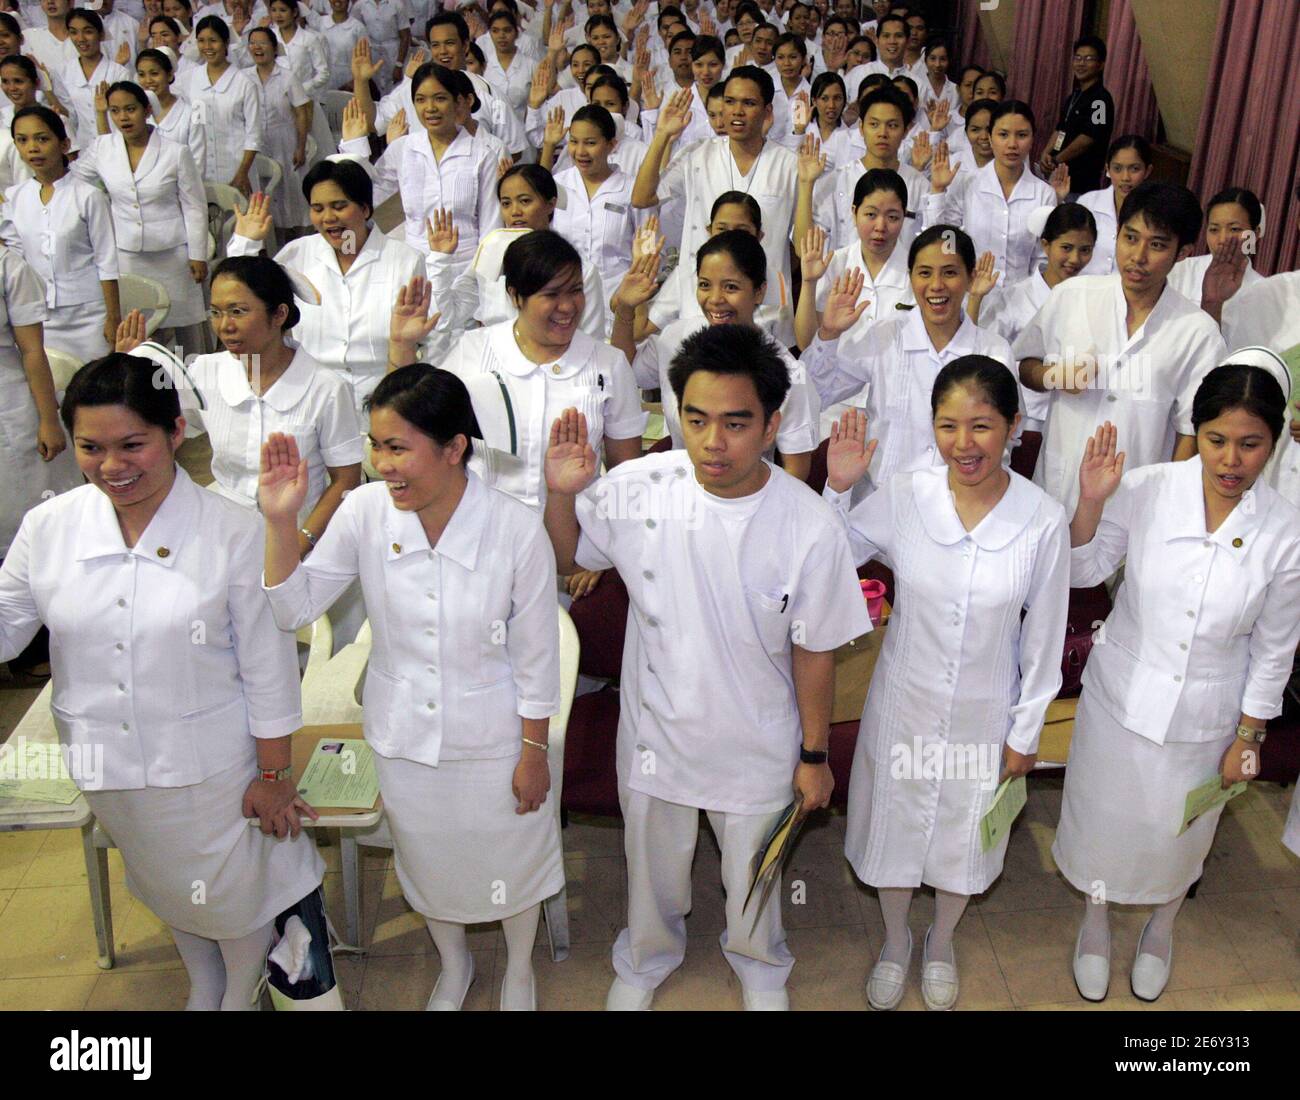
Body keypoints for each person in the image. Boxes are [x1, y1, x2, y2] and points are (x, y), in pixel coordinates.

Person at [542, 323, 869, 1011]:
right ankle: (645, 955)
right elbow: (575, 561)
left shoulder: (808, 525)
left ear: (774, 423)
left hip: (757, 732)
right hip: (659, 727)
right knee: (652, 867)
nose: (711, 442)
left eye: (735, 423)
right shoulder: (638, 487)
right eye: (694, 419)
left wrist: (813, 752)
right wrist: (562, 495)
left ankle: (759, 960)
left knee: (757, 868)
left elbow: (814, 649)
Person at [0, 352, 325, 1011]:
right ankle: (204, 979)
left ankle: (238, 985)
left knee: (230, 889)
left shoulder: (232, 530)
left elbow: (268, 669)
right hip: (105, 762)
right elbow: (9, 624)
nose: (112, 467)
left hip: (209, 768)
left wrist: (271, 777)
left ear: (176, 432)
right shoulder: (49, 528)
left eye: (132, 445)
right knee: (165, 881)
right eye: (90, 447)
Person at [260, 365, 562, 1011]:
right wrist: (282, 523)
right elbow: (292, 609)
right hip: (403, 735)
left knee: (509, 854)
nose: (382, 464)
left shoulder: (513, 528)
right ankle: (453, 964)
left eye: (398, 447)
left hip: (494, 736)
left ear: (454, 448)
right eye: (375, 445)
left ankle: (517, 970)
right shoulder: (366, 512)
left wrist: (534, 752)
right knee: (429, 862)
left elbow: (539, 656)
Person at [825, 356, 1068, 1010]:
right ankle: (896, 939)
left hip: (985, 714)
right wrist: (840, 489)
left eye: (982, 426)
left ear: (1014, 425)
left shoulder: (1042, 519)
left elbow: (1045, 638)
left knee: (964, 835)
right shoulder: (907, 494)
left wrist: (1027, 731)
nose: (964, 444)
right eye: (948, 426)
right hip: (905, 703)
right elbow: (831, 556)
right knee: (896, 829)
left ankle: (942, 941)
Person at [1054, 367, 1300, 1003]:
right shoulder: (1149, 488)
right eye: (1217, 439)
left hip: (1209, 712)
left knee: (1179, 832)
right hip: (1122, 698)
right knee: (1104, 824)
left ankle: (1163, 926)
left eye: (1249, 444)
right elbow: (1082, 570)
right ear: (1197, 430)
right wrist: (1089, 501)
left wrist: (1250, 733)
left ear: (1273, 443)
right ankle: (1096, 922)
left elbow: (1275, 645)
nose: (1230, 459)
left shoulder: (1285, 530)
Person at [1015, 182, 1228, 514]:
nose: (1137, 257)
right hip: (1056, 490)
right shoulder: (1072, 295)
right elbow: (1025, 364)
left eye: (1156, 245)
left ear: (1182, 253)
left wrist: (1167, 504)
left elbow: (1191, 431)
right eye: (1130, 238)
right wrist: (1052, 377)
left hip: (1134, 504)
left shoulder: (1197, 333)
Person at [397, 230, 645, 512]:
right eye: (551, 294)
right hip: (485, 527)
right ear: (515, 296)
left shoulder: (609, 364)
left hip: (575, 533)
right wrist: (402, 346)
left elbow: (624, 475)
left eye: (575, 290)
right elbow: (412, 421)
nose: (567, 307)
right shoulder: (473, 351)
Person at [139, 254, 363, 547]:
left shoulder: (326, 389)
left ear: (279, 314)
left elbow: (346, 480)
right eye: (216, 312)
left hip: (299, 532)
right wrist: (133, 371)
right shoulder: (205, 371)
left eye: (238, 311)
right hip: (225, 532)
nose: (224, 326)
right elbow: (166, 430)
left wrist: (302, 542)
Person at [801, 223, 1012, 495]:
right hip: (881, 504)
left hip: (960, 506)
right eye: (925, 273)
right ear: (910, 277)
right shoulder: (884, 336)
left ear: (971, 279)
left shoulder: (994, 352)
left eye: (949, 273)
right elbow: (815, 393)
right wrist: (828, 334)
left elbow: (1005, 442)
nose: (936, 286)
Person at [226, 153, 425, 420]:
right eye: (318, 209)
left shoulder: (404, 261)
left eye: (339, 206)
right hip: (307, 398)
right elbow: (245, 300)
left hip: (382, 400)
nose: (328, 217)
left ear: (365, 208)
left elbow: (424, 339)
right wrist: (246, 246)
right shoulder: (296, 255)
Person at [624, 230, 817, 480]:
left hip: (745, 499)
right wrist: (625, 310)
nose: (715, 299)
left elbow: (796, 471)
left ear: (758, 291)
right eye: (705, 285)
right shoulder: (676, 338)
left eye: (731, 287)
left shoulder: (788, 373)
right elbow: (628, 371)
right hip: (679, 493)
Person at [635, 66, 799, 345]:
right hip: (704, 306)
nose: (737, 111)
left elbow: (801, 245)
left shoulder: (789, 164)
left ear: (767, 111)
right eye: (730, 101)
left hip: (765, 307)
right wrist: (662, 134)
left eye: (748, 103)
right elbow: (642, 197)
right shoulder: (698, 155)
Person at [74, 80, 208, 354]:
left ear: (147, 110)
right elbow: (76, 179)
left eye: (130, 109)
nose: (123, 117)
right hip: (127, 253)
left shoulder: (175, 152)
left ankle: (186, 382)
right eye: (115, 111)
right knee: (138, 328)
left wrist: (198, 253)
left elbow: (194, 205)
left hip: (172, 254)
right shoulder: (103, 148)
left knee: (182, 331)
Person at [422, 162, 607, 359]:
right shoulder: (490, 253)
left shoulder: (577, 269)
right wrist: (440, 260)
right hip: (494, 364)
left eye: (525, 201)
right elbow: (448, 317)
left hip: (556, 366)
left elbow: (591, 339)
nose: (515, 211)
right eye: (506, 203)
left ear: (551, 204)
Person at [2, 105, 121, 361]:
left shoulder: (88, 196)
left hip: (89, 314)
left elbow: (107, 261)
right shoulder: (14, 198)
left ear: (64, 144)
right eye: (22, 140)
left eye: (42, 138)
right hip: (39, 314)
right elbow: (15, 260)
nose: (32, 147)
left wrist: (112, 317)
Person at [978, 203, 1097, 434]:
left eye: (1085, 250)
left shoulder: (1093, 297)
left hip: (1075, 418)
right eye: (1066, 247)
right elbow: (986, 354)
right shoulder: (1013, 298)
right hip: (1026, 419)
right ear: (1046, 245)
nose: (1075, 258)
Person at [925, 100, 1063, 286]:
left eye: (1022, 135)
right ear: (990, 138)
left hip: (1022, 299)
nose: (1012, 144)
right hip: (972, 295)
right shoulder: (968, 183)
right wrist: (938, 190)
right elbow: (943, 241)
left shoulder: (1044, 194)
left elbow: (1042, 258)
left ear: (1032, 140)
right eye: (1003, 135)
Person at [0, 243, 72, 556]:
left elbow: (32, 351)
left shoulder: (8, 265)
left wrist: (49, 420)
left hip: (10, 401)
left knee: (29, 522)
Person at [544, 103, 642, 326]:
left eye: (590, 143)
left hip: (616, 301)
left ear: (611, 145)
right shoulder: (559, 184)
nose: (580, 152)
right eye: (574, 141)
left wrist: (631, 303)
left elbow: (646, 252)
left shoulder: (631, 189)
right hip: (565, 300)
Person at [797, 86, 924, 256]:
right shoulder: (837, 180)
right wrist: (806, 184)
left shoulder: (920, 185)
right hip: (843, 279)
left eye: (892, 125)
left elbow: (941, 244)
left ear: (906, 130)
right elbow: (802, 249)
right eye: (874, 124)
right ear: (861, 128)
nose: (882, 133)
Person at [184, 15, 262, 196]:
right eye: (201, 41)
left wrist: (242, 172)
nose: (207, 47)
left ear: (226, 43)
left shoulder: (244, 83)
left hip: (236, 167)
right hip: (201, 167)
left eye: (213, 41)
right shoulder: (190, 79)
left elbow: (254, 133)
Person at [1167, 186, 1265, 324]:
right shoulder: (1180, 269)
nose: (1223, 239)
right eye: (1214, 229)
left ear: (1255, 234)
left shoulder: (1264, 292)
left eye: (1234, 229)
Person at [245, 26, 311, 232]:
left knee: (289, 192)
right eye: (253, 43)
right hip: (256, 142)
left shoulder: (287, 77)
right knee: (263, 192)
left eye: (262, 43)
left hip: (285, 140)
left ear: (274, 48)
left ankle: (294, 235)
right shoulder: (243, 77)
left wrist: (301, 146)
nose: (257, 47)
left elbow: (302, 112)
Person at [1038, 35, 1113, 197]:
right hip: (1058, 176)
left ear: (1100, 65)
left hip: (1081, 183)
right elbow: (1060, 128)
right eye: (1078, 58)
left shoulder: (1100, 100)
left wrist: (1057, 160)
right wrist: (1046, 153)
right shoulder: (1074, 96)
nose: (1081, 63)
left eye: (1088, 59)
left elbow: (1089, 138)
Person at [57, 8, 131, 152]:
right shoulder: (64, 72)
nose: (81, 38)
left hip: (116, 148)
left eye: (88, 31)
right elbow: (70, 118)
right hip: (83, 150)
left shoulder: (119, 73)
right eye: (74, 32)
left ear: (101, 35)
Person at [1078, 134, 1152, 277]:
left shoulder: (1154, 212)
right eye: (1117, 168)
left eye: (1134, 169)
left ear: (1147, 171)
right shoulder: (1087, 203)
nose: (1125, 177)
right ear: (1107, 169)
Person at [132, 47, 205, 175]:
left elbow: (197, 165)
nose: (148, 81)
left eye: (154, 73)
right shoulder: (136, 113)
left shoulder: (193, 113)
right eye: (142, 74)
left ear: (170, 75)